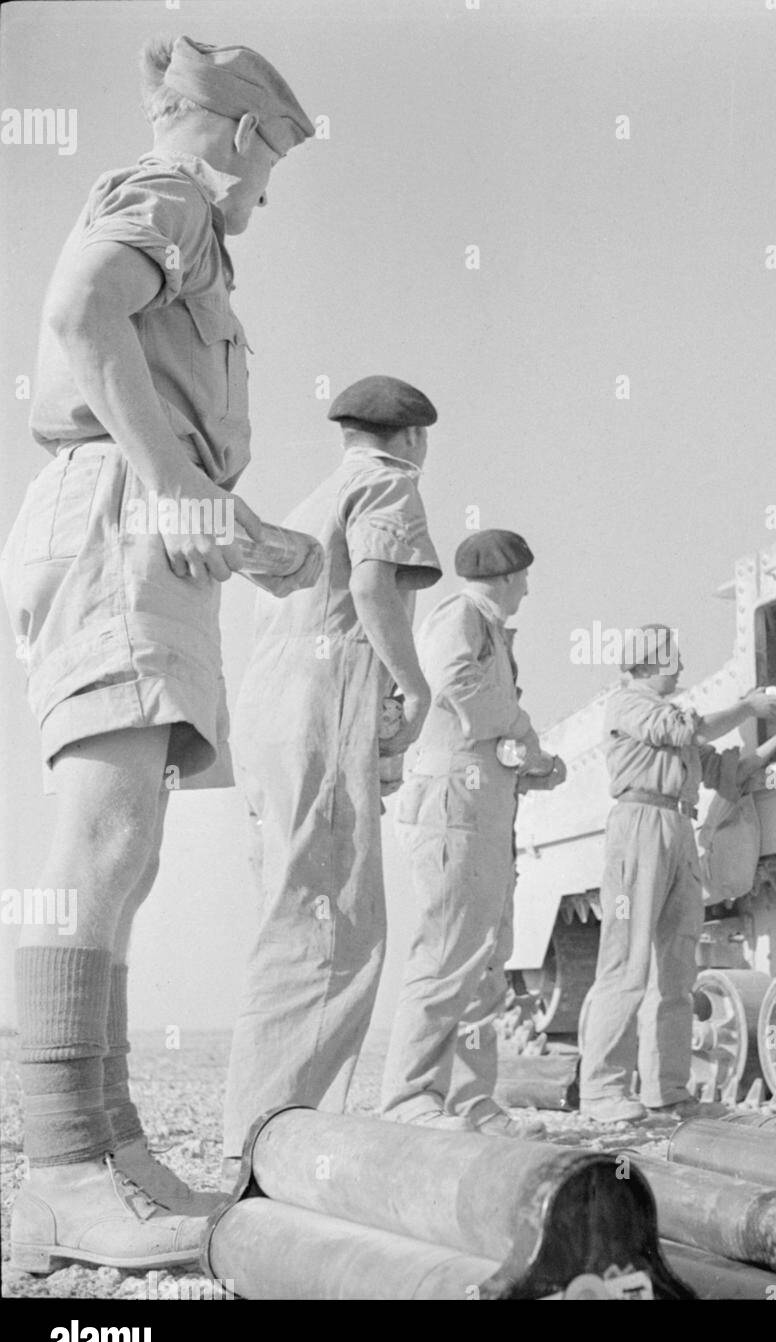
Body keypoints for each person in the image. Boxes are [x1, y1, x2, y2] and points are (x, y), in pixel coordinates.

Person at [1, 36, 317, 1272]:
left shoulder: (189, 220)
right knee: (103, 837)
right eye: (269, 170)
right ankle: (68, 1163)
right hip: (114, 522)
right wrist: (181, 486)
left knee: (124, 848)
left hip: (140, 525)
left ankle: (107, 1147)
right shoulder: (176, 191)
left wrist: (246, 530)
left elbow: (165, 428)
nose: (262, 200)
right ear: (239, 136)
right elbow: (85, 314)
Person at [221, 377, 443, 1167]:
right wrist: (415, 687)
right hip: (328, 699)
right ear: (414, 437)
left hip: (269, 710)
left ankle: (258, 1133)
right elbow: (373, 585)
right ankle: (280, 1144)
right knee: (337, 925)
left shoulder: (319, 493)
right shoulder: (388, 481)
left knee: (292, 917)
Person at [379, 530, 565, 1136]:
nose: (530, 589)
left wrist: (528, 765)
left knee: (484, 961)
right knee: (446, 954)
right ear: (509, 577)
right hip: (451, 807)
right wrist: (521, 727)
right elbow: (452, 683)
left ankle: (470, 1099)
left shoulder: (485, 626)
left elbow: (478, 723)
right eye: (526, 579)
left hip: (480, 808)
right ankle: (409, 1097)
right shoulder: (460, 617)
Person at [577, 628, 776, 1124]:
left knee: (676, 971)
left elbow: (726, 775)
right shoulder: (628, 704)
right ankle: (602, 1090)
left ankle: (667, 1089)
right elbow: (686, 732)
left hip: (677, 823)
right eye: (672, 660)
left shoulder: (673, 716)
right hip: (640, 826)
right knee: (626, 965)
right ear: (649, 663)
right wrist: (748, 708)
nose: (679, 668)